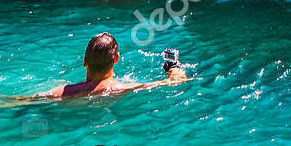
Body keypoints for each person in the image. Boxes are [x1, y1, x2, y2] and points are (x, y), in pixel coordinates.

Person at [44, 32, 187, 99]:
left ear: (84, 61)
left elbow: (23, 101)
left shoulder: (60, 92)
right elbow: (175, 82)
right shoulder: (120, 88)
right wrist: (174, 67)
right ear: (116, 59)